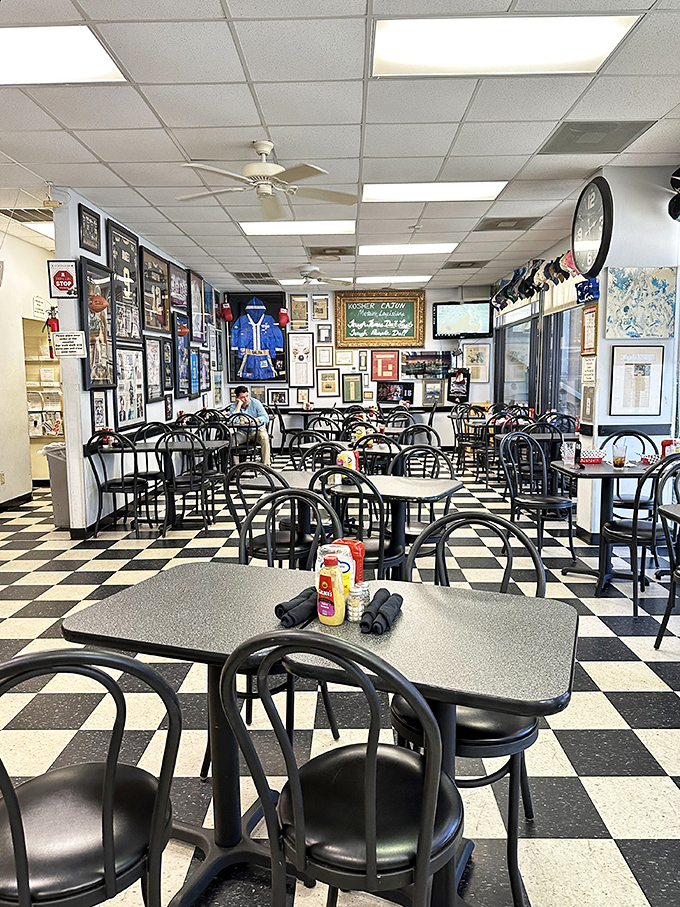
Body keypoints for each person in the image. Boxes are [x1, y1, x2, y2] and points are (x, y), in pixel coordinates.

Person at [228, 385, 271, 466]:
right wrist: (239, 405)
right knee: (232, 439)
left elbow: (265, 418)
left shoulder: (256, 403)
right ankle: (236, 467)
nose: (246, 399)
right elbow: (232, 421)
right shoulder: (234, 406)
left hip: (257, 430)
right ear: (237, 398)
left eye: (247, 396)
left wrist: (253, 420)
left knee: (264, 438)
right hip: (243, 432)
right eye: (242, 397)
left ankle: (266, 465)